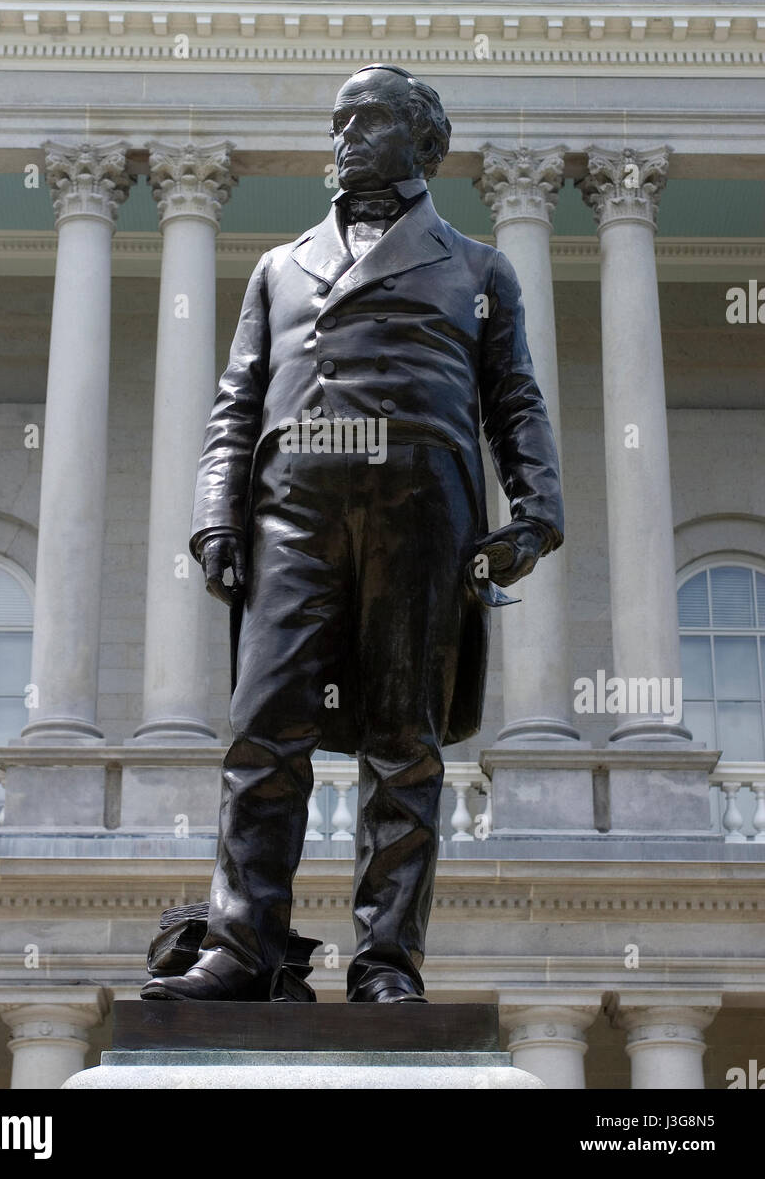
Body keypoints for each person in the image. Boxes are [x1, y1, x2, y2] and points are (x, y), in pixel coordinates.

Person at [142, 64, 564, 1004]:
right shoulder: (278, 267)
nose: (344, 138)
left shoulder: (479, 266)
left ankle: (386, 963)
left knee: (403, 743)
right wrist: (215, 512)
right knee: (262, 727)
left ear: (424, 139)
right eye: (337, 123)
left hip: (423, 505)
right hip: (293, 505)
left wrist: (537, 511)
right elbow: (233, 407)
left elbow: (515, 399)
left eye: (367, 120)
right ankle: (245, 942)